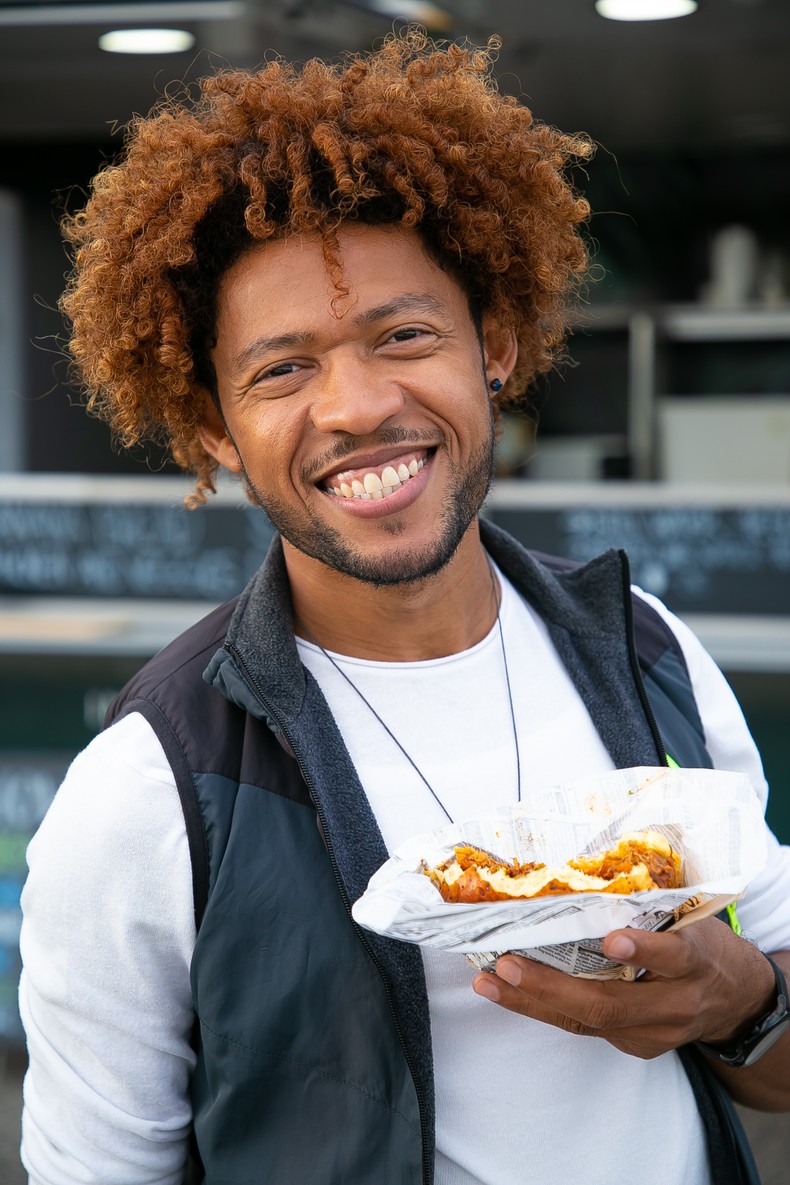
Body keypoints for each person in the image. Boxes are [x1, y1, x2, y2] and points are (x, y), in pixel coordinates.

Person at [18, 29, 790, 1185]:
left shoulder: (644, 652)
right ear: (215, 430)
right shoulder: (150, 787)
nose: (358, 404)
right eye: (281, 370)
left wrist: (742, 1004)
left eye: (405, 335)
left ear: (501, 346)